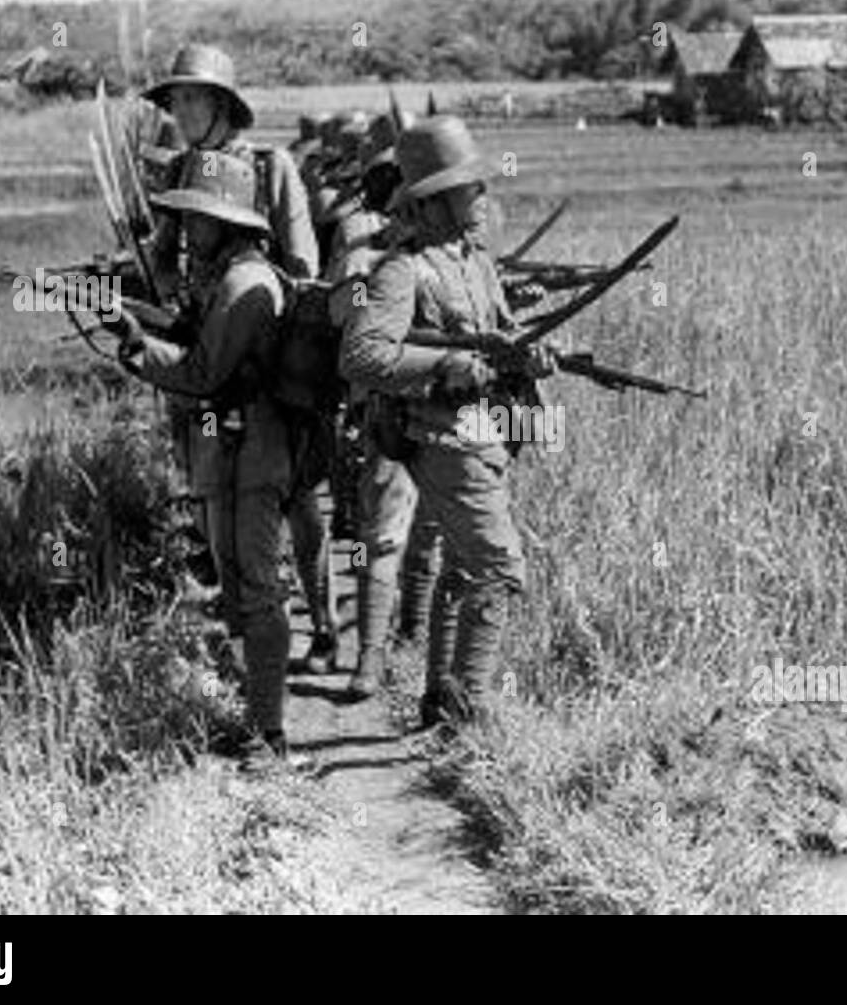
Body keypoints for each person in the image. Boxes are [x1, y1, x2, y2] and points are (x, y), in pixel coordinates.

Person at [339, 115, 553, 726]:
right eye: (471, 187)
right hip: (440, 439)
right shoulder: (400, 270)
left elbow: (501, 337)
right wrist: (446, 365)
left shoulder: (476, 262)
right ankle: (473, 707)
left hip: (486, 437)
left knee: (462, 568)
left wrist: (529, 354)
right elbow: (361, 355)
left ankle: (439, 700)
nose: (483, 196)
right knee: (497, 567)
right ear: (434, 197)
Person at [142, 43, 340, 675]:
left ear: (223, 104)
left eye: (191, 97)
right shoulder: (178, 173)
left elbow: (305, 268)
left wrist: (262, 306)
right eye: (173, 101)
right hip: (205, 356)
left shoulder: (270, 165)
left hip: (275, 354)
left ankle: (325, 622)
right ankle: (242, 629)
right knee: (210, 489)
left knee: (301, 501)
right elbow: (166, 255)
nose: (179, 110)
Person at [113, 152, 299, 767]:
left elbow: (202, 372)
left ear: (230, 222)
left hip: (258, 449)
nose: (186, 232)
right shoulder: (223, 275)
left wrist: (140, 351)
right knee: (235, 581)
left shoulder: (247, 285)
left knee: (260, 587)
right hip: (227, 445)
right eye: (184, 219)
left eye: (197, 219)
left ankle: (270, 734)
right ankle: (255, 715)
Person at [326, 112, 442, 700]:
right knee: (386, 536)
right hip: (387, 417)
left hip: (443, 413)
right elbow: (342, 324)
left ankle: (409, 639)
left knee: (428, 535)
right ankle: (370, 656)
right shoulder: (364, 258)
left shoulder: (446, 261)